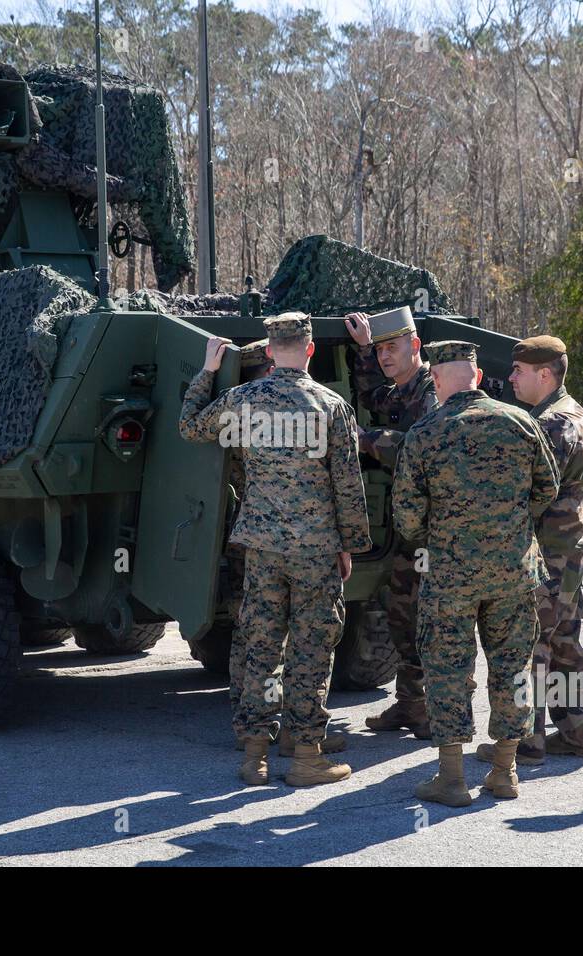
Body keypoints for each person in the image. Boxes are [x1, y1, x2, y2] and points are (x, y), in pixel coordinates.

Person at [179, 312, 372, 787]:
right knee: (311, 646)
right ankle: (306, 754)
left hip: (261, 547)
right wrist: (350, 545)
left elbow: (189, 427)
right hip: (316, 548)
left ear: (268, 350)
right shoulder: (330, 405)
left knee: (261, 643)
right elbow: (347, 484)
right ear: (309, 350)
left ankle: (255, 754)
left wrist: (207, 371)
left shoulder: (243, 400)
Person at [392, 341, 559, 806]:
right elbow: (548, 487)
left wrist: (442, 535)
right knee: (512, 668)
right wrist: (508, 525)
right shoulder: (521, 422)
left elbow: (406, 515)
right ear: (479, 376)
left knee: (447, 670)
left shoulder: (425, 433)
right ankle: (504, 773)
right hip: (513, 571)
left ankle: (452, 779)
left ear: (438, 380)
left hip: (450, 574)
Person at [493, 334, 583, 765]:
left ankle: (527, 741)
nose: (511, 377)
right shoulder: (574, 414)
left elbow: (533, 493)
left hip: (548, 552)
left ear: (545, 374)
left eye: (518, 371)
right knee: (564, 644)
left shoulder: (551, 424)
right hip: (569, 548)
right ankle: (579, 732)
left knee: (531, 644)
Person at [343, 306, 439, 739]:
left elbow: (423, 446)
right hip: (411, 526)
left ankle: (439, 710)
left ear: (414, 346)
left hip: (435, 527)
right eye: (381, 349)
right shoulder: (401, 388)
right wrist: (363, 351)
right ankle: (411, 704)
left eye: (392, 347)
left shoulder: (431, 390)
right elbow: (373, 398)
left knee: (431, 617)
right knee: (402, 612)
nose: (385, 356)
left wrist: (365, 440)